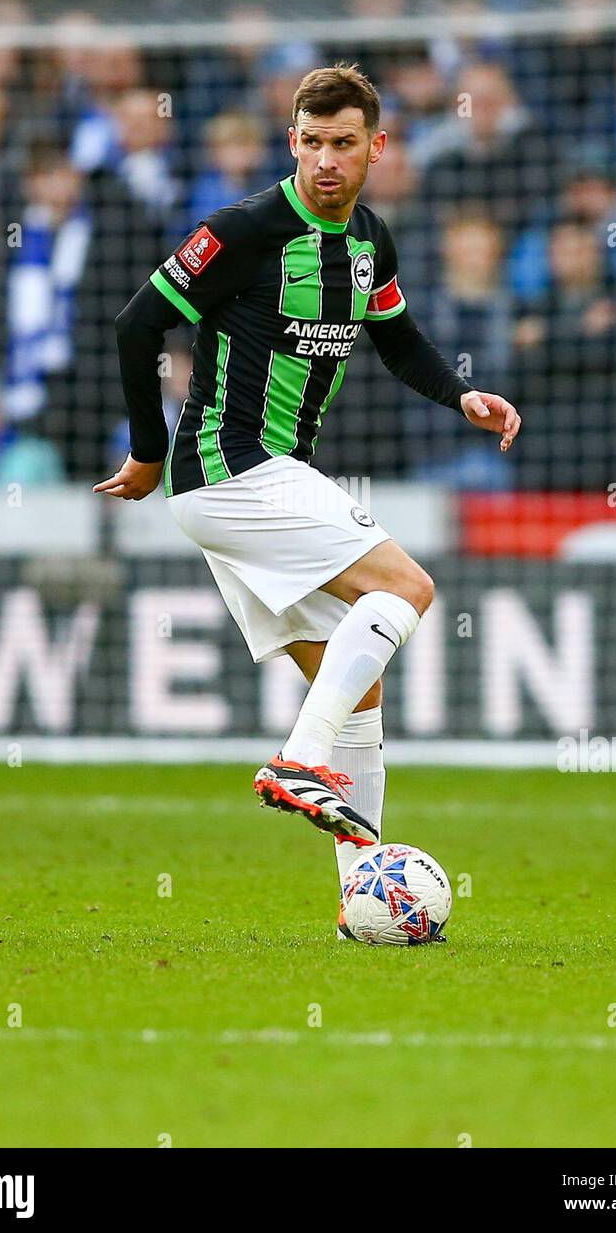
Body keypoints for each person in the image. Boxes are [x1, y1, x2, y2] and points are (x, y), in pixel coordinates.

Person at [95, 63, 521, 938]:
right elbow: (139, 322)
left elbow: (397, 341)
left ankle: (367, 899)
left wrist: (461, 397)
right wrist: (146, 450)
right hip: (231, 468)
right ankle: (296, 758)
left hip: (251, 489)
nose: (328, 160)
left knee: (354, 694)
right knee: (405, 590)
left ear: (377, 148)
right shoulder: (244, 231)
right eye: (312, 142)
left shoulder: (370, 243)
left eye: (345, 143)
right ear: (293, 142)